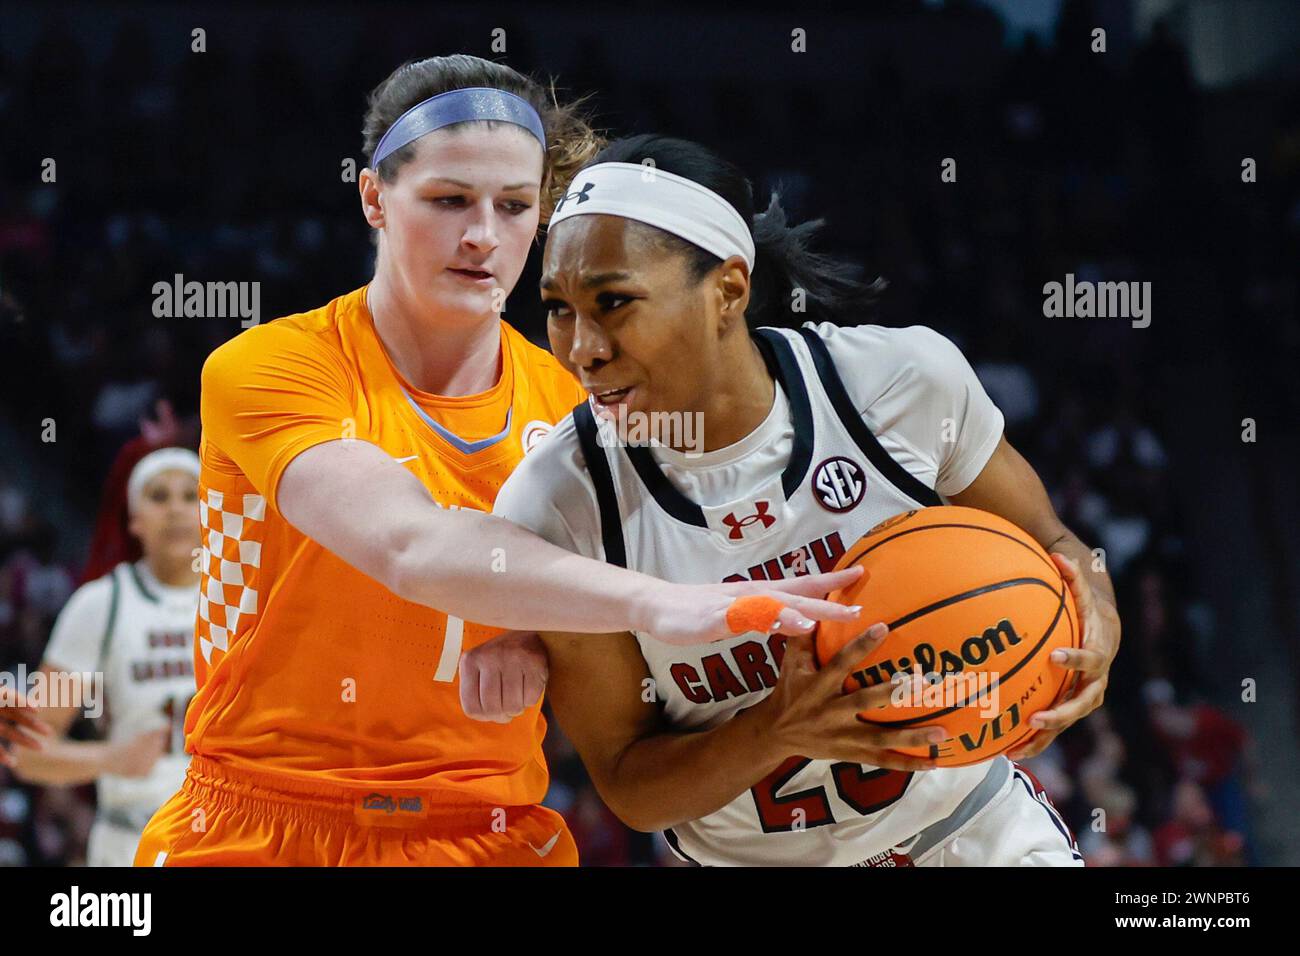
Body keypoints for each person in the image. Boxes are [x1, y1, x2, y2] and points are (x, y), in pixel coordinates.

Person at [135, 57, 861, 868]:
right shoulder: (267, 366)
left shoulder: (579, 406)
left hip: (488, 831)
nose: (483, 234)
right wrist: (653, 604)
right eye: (449, 201)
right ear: (375, 197)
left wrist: (537, 633)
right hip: (265, 823)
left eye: (515, 206)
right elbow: (410, 547)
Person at [493, 135, 1122, 866]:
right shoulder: (556, 505)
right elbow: (629, 783)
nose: (581, 348)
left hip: (974, 835)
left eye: (613, 303)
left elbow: (1054, 545)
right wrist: (774, 730)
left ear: (728, 289)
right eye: (558, 309)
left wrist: (1094, 615)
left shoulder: (895, 384)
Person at [13, 448, 200, 866]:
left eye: (191, 496)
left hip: (227, 839)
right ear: (134, 519)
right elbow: (26, 748)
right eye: (159, 496)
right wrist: (109, 758)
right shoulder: (99, 604)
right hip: (130, 838)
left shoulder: (245, 602)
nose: (176, 509)